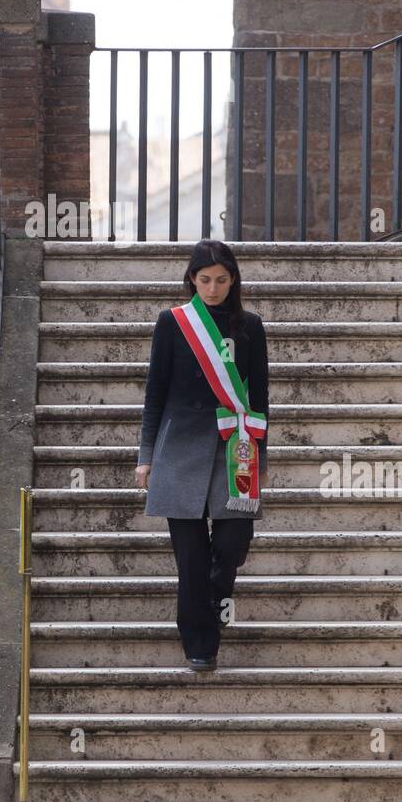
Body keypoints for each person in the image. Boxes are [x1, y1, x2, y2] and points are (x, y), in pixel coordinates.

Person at [134, 239, 269, 671]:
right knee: (190, 559)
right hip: (179, 451)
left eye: (222, 280)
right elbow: (154, 394)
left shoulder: (250, 326)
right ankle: (200, 645)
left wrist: (261, 460)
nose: (213, 288)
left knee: (232, 544)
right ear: (192, 279)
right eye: (205, 280)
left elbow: (260, 400)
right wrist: (146, 455)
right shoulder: (173, 323)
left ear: (234, 281)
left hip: (236, 450)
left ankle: (215, 593)